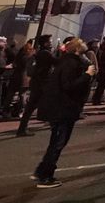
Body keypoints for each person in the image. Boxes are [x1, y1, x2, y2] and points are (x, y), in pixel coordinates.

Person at [32, 38, 93, 187]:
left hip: (61, 107)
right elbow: (68, 85)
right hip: (62, 108)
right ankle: (46, 176)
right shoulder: (71, 63)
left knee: (56, 141)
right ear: (77, 49)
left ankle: (42, 170)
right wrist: (87, 75)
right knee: (58, 142)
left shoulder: (66, 61)